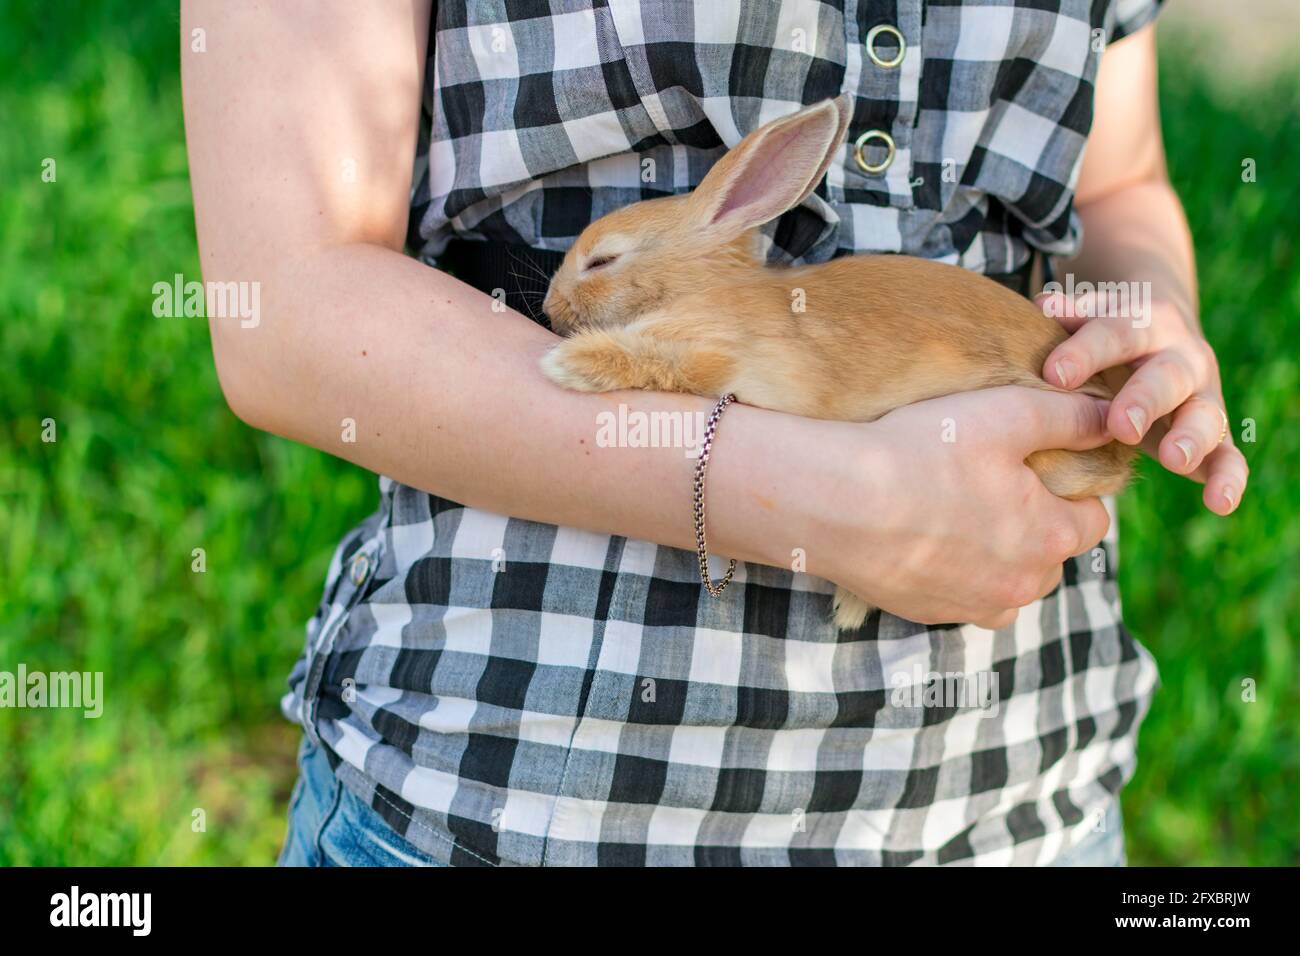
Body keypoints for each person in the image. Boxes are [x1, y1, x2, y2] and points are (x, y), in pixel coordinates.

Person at [182, 0, 1247, 866]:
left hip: (1016, 797)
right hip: (536, 793)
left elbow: (1117, 182)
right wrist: (816, 496)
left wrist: (1144, 312)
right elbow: (282, 302)